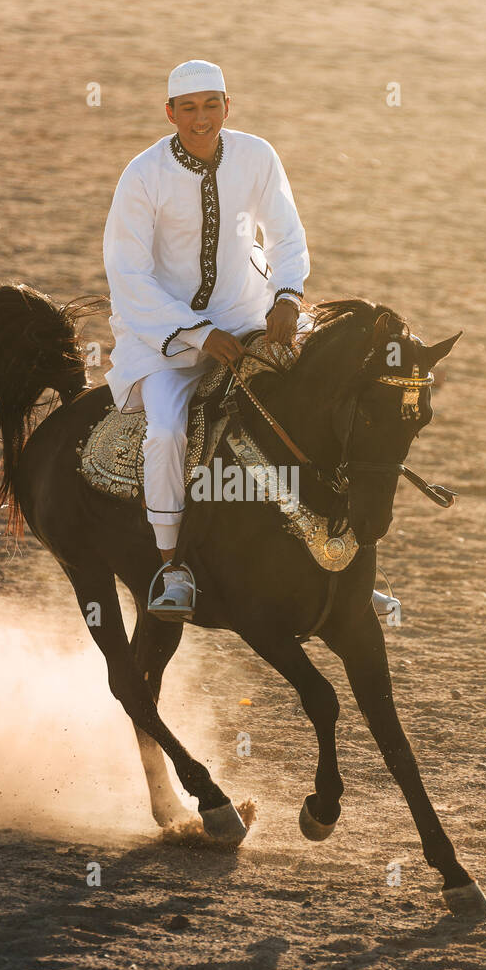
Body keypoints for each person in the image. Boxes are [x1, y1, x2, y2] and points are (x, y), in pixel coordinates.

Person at [103, 59, 308, 618]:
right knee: (167, 431)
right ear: (169, 113)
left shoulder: (257, 156)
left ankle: (343, 555)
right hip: (161, 335)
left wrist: (288, 298)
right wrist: (197, 334)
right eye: (187, 108)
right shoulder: (142, 176)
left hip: (250, 317)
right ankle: (171, 567)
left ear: (227, 107)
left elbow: (286, 233)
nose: (200, 118)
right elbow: (127, 275)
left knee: (328, 395)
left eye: (211, 105)